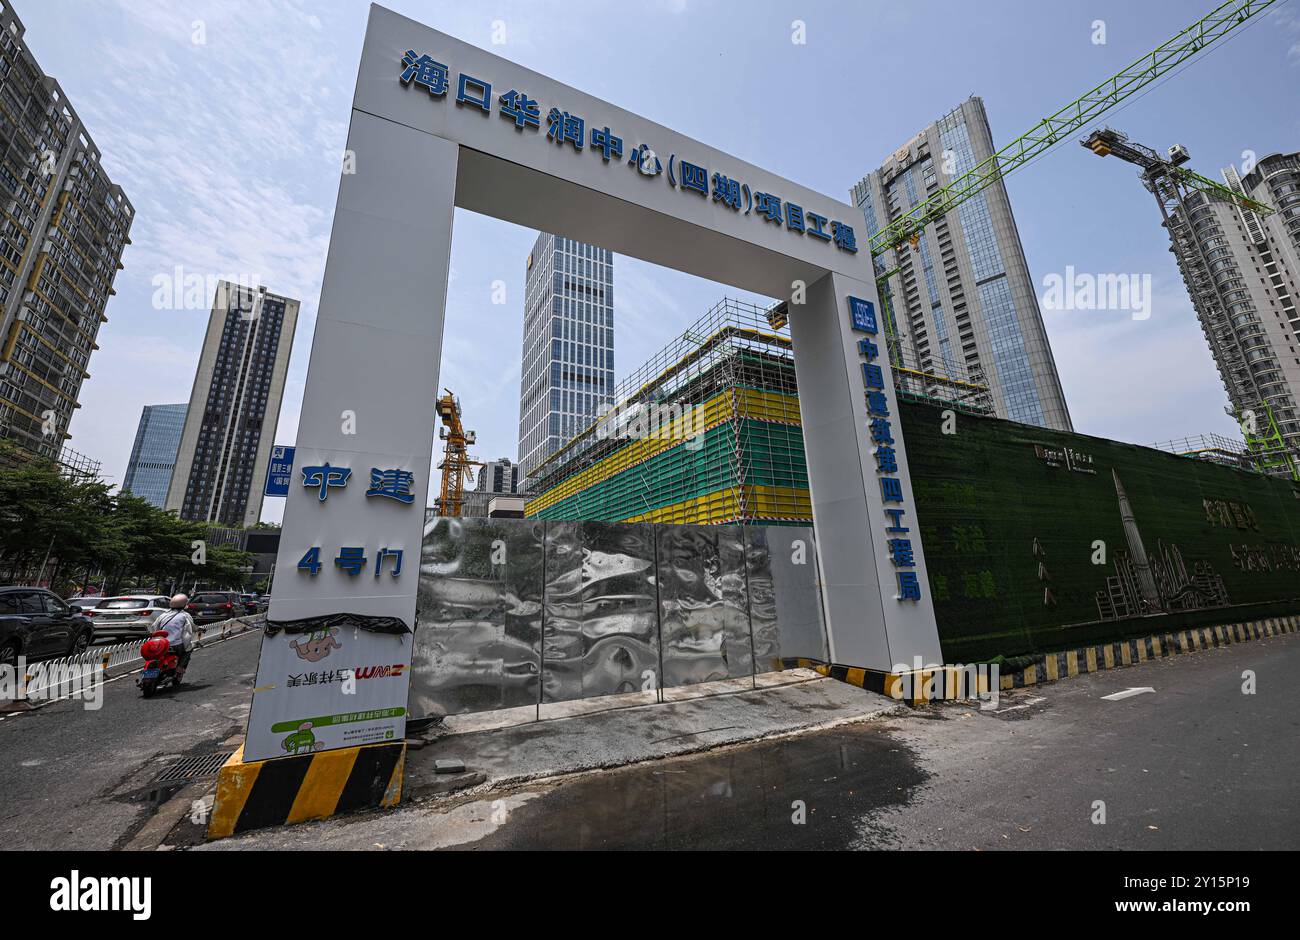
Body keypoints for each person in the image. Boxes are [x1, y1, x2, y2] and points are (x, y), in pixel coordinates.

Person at [154, 594, 196, 681]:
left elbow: (154, 627)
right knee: (188, 650)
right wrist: (200, 629)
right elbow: (192, 627)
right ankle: (179, 669)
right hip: (176, 645)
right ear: (184, 604)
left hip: (161, 644)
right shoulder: (185, 615)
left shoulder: (163, 615)